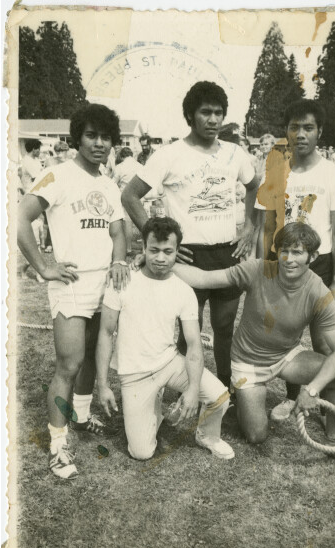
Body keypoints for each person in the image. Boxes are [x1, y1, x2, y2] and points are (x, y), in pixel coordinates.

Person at [172, 223, 335, 470]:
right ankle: (239, 397)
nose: (289, 259)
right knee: (256, 436)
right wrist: (160, 261)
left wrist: (313, 389)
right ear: (276, 250)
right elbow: (205, 277)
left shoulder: (319, 292)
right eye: (284, 251)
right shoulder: (257, 270)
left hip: (287, 356)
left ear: (312, 257)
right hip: (248, 362)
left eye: (297, 252)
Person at [17, 103, 131, 479]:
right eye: (91, 136)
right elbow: (19, 218)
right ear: (77, 138)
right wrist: (44, 267)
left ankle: (81, 415)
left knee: (91, 355)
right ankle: (57, 444)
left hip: (106, 284)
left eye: (106, 137)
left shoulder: (109, 183)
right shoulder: (57, 175)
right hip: (71, 284)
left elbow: (118, 231)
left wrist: (118, 260)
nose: (99, 143)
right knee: (69, 363)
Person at [121, 80, 260, 389]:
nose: (213, 120)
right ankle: (189, 389)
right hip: (187, 256)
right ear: (190, 115)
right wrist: (157, 240)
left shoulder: (235, 154)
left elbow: (254, 187)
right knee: (188, 329)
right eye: (205, 112)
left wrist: (249, 227)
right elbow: (130, 196)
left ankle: (226, 386)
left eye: (219, 113)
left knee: (224, 327)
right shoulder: (168, 155)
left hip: (227, 252)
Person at [96, 217, 235, 461]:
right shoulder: (122, 281)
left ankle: (207, 436)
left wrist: (192, 389)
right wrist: (103, 384)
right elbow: (106, 333)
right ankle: (153, 405)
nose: (161, 258)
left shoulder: (183, 289)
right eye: (154, 250)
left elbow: (193, 344)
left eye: (168, 251)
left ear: (177, 252)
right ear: (143, 249)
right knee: (141, 453)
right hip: (135, 373)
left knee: (220, 397)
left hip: (169, 363)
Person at [254, 100, 335, 403]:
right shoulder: (274, 175)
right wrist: (263, 268)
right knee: (285, 336)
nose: (300, 134)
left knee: (324, 343)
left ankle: (326, 407)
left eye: (308, 127)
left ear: (319, 132)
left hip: (319, 265)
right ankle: (291, 397)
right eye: (294, 127)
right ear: (286, 131)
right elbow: (268, 228)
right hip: (281, 264)